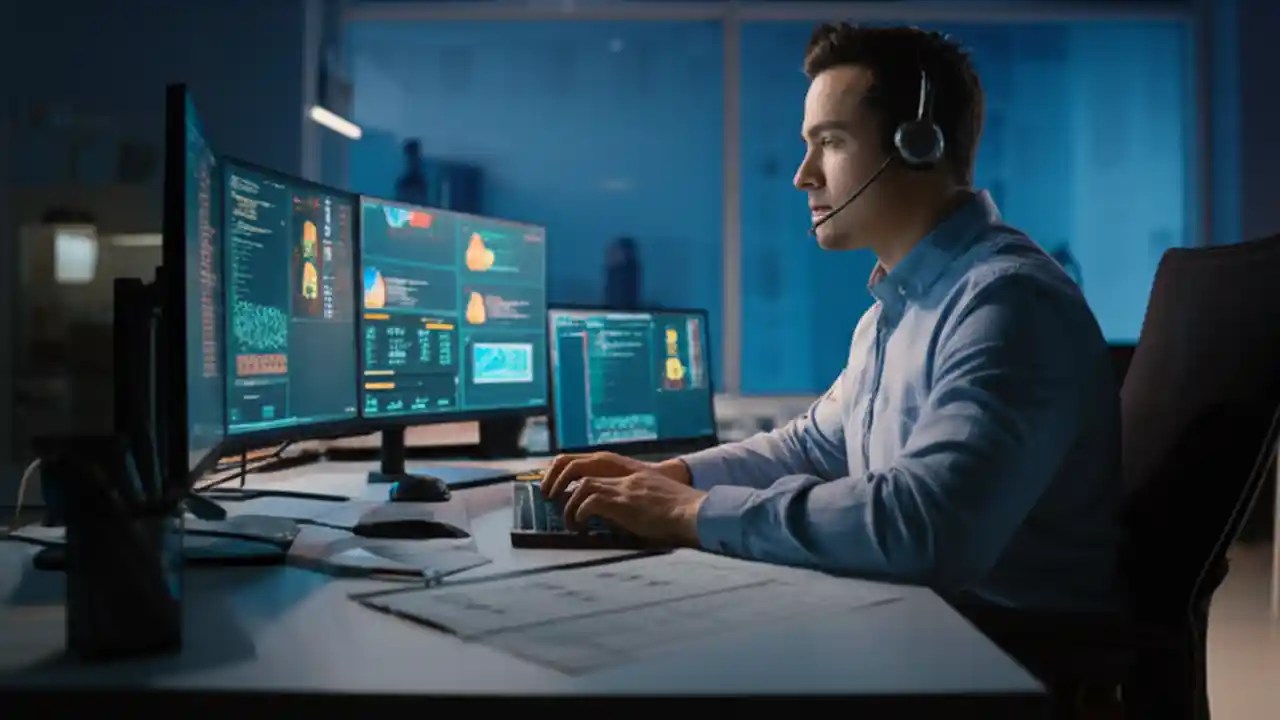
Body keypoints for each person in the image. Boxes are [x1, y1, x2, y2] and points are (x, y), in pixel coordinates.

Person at [541, 23, 1126, 622]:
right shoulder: (889, 318)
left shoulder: (1008, 304)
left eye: (832, 142)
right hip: (917, 624)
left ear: (918, 144)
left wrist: (687, 511)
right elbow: (810, 448)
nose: (804, 175)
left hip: (1006, 654)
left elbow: (923, 527)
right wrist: (667, 476)